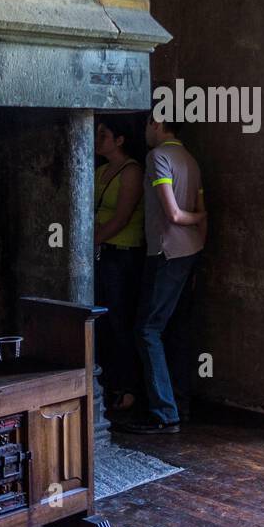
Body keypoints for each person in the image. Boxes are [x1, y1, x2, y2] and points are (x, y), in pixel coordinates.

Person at [119, 115, 206, 434]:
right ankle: (179, 405)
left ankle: (164, 414)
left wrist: (194, 215)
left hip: (167, 252)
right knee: (177, 329)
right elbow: (198, 220)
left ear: (157, 123)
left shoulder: (158, 157)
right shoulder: (191, 159)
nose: (143, 132)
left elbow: (173, 214)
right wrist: (199, 222)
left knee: (146, 330)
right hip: (191, 253)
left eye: (145, 126)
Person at [94, 115, 145, 413]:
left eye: (104, 134)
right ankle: (109, 383)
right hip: (103, 251)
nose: (98, 139)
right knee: (103, 323)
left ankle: (129, 389)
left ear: (120, 139)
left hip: (122, 253)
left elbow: (122, 216)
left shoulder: (131, 172)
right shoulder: (101, 170)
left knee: (120, 322)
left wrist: (93, 240)